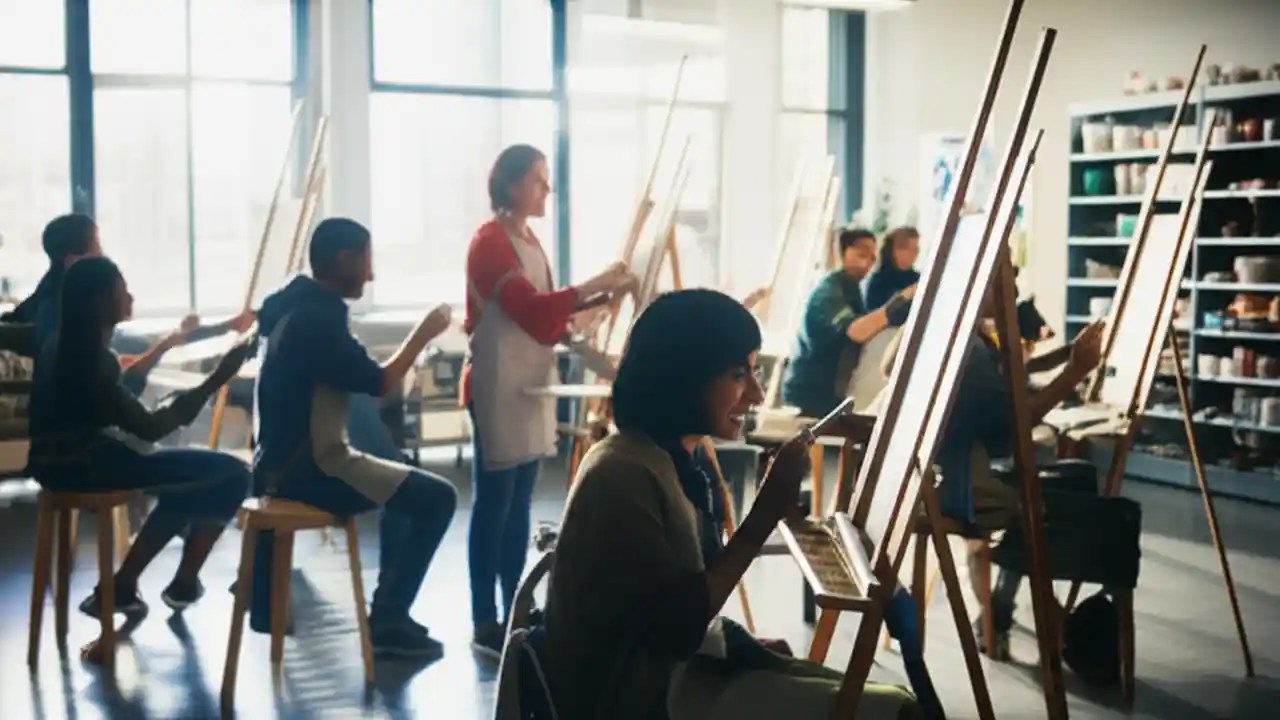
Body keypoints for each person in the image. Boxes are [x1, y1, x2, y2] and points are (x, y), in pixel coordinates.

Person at [542, 289, 921, 720]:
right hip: (641, 701)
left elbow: (661, 607)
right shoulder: (623, 473)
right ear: (685, 376)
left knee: (874, 695)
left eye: (754, 373)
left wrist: (733, 641)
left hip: (673, 679)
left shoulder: (674, 457)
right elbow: (678, 628)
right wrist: (765, 515)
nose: (757, 395)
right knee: (897, 712)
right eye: (739, 375)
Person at [250, 217, 458, 658]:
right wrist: (424, 332)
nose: (371, 273)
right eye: (366, 260)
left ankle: (389, 613)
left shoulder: (290, 308)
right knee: (437, 498)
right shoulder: (318, 319)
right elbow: (379, 382)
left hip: (277, 464)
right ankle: (388, 617)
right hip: (310, 469)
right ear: (344, 259)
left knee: (404, 481)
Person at [463, 143, 634, 658]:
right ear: (513, 184)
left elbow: (550, 321)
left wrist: (602, 302)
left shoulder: (528, 240)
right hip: (497, 385)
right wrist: (595, 284)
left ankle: (512, 604)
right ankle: (483, 618)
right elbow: (530, 310)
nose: (546, 189)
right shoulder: (490, 241)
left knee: (518, 505)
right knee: (494, 506)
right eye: (539, 179)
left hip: (530, 381)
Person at [27, 256, 253, 617]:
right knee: (233, 474)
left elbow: (116, 394)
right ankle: (171, 581)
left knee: (190, 479)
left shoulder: (59, 347)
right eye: (122, 291)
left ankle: (130, 584)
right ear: (102, 303)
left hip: (52, 465)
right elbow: (151, 427)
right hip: (94, 465)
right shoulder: (96, 360)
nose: (130, 298)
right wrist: (217, 378)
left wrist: (163, 348)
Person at [933, 291, 1105, 658]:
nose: (1011, 289)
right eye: (1005, 272)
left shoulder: (955, 328)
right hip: (959, 484)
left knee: (1061, 481)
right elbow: (1015, 426)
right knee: (1035, 510)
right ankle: (1005, 614)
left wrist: (1066, 359)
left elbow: (1007, 397)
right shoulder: (971, 351)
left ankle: (1006, 613)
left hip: (950, 467)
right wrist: (1076, 370)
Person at [1, 213, 251, 392]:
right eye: (97, 246)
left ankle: (228, 327)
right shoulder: (61, 319)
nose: (104, 255)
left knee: (144, 343)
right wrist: (162, 349)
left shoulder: (53, 296)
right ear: (74, 261)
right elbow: (107, 391)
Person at [782, 228, 915, 419]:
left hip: (831, 395)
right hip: (810, 397)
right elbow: (856, 331)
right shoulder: (828, 292)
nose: (867, 260)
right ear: (842, 252)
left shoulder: (852, 289)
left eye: (872, 256)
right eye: (861, 253)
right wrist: (898, 304)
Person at [865, 226, 921, 310]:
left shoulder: (919, 279)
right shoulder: (878, 282)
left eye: (917, 249)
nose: (916, 253)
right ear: (896, 250)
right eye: (912, 249)